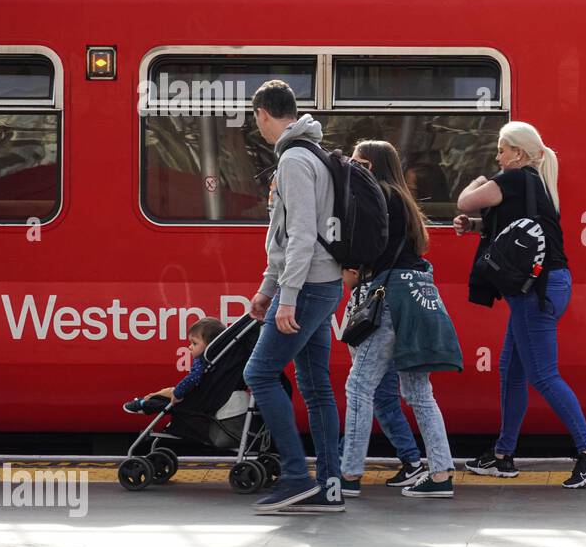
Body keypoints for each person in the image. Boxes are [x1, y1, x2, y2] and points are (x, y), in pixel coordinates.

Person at [454, 120, 586, 489]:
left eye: (501, 150)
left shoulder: (511, 179)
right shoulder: (536, 185)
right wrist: (477, 228)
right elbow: (518, 234)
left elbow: (465, 200)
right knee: (511, 370)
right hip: (546, 286)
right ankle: (502, 454)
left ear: (518, 154)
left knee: (543, 374)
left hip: (535, 291)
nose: (497, 156)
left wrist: (477, 182)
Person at [242, 80, 345, 515]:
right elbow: (287, 236)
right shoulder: (310, 153)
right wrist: (269, 288)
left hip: (307, 288)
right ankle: (328, 485)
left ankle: (295, 478)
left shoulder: (294, 160)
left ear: (264, 114)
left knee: (260, 374)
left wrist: (287, 297)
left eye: (256, 119)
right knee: (316, 385)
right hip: (322, 283)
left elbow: (301, 234)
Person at [340, 140, 459, 499]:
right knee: (419, 392)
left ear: (371, 167)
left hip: (389, 298)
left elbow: (367, 249)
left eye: (357, 162)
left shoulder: (377, 197)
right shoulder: (404, 200)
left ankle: (348, 474)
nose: (352, 167)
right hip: (416, 295)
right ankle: (440, 473)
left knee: (359, 386)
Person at [123, 317, 224, 413]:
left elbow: (192, 378)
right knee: (166, 392)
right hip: (198, 396)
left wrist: (177, 393)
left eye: (194, 343)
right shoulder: (217, 361)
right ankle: (145, 400)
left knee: (167, 395)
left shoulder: (202, 361)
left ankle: (144, 403)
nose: (190, 347)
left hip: (191, 399)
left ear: (211, 346)